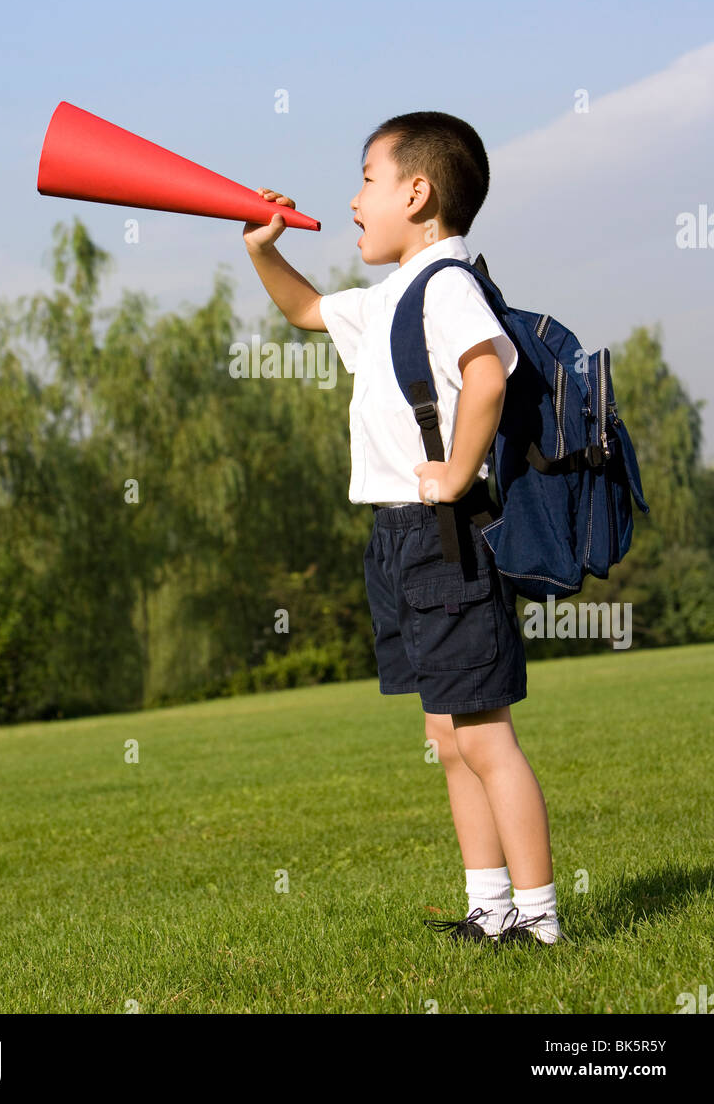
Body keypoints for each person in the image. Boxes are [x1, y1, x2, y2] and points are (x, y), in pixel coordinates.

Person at [242, 110, 566, 946]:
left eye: (367, 182)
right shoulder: (389, 299)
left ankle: (539, 919)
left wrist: (456, 473)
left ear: (417, 193)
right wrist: (263, 251)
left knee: (485, 736)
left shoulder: (446, 286)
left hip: (445, 532)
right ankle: (490, 911)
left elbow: (486, 375)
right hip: (399, 539)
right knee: (448, 736)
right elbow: (307, 313)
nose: (353, 201)